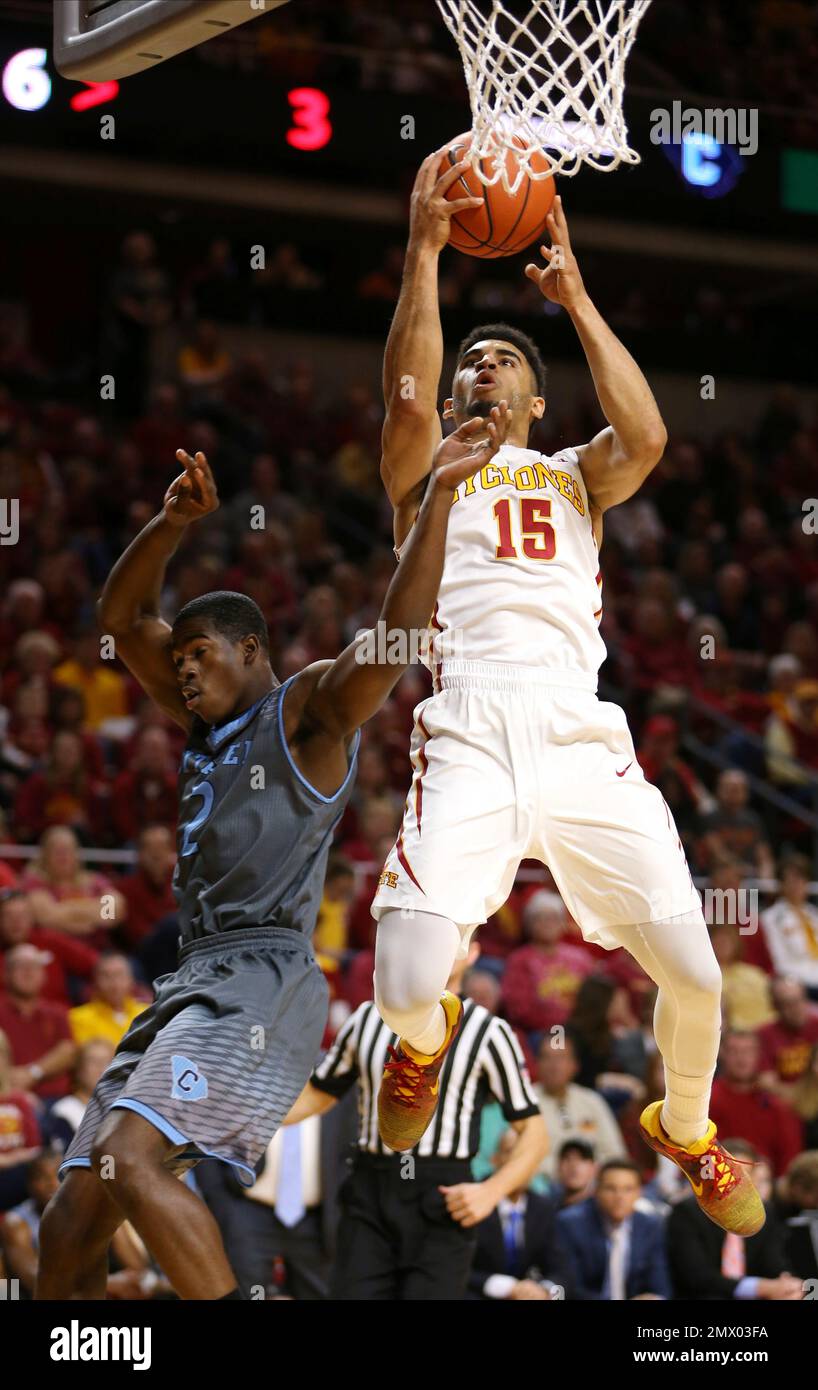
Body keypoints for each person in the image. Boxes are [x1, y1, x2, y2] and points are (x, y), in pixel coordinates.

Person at [369, 146, 763, 1237]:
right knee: (402, 980)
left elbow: (645, 435)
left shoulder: (572, 473)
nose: (481, 368)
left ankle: (685, 1131)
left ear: (538, 400)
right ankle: (423, 1038)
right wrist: (423, 252)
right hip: (470, 727)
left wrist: (577, 298)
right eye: (470, 361)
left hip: (579, 732)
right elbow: (403, 392)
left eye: (502, 360)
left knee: (694, 975)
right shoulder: (424, 469)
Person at [36, 409, 515, 1301]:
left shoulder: (308, 713)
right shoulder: (204, 726)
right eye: (174, 661)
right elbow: (120, 614)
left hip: (266, 980)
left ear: (251, 650)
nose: (178, 671)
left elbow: (399, 637)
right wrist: (172, 524)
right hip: (190, 981)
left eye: (198, 655)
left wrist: (441, 496)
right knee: (72, 1220)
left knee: (135, 1162)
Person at [283, 941, 547, 1300]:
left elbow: (533, 1128)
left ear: (473, 954)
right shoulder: (366, 1018)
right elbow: (319, 1092)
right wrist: (244, 1113)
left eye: (452, 939)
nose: (436, 945)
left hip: (442, 1193)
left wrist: (492, 1190)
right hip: (369, 1186)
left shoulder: (489, 1031)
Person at [666, 1141, 802, 1301]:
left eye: (745, 1172)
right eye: (728, 1171)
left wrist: (785, 1282)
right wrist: (759, 1287)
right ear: (712, 1170)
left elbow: (773, 1261)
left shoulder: (764, 1211)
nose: (735, 1180)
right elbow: (696, 1276)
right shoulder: (687, 1211)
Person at [468, 1127, 573, 1300]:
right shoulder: (471, 1200)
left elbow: (563, 1271)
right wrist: (506, 1287)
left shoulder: (543, 1208)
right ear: (495, 1160)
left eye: (526, 1154)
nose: (520, 1161)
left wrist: (545, 1291)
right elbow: (450, 1267)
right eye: (511, 1152)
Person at [556, 1158, 672, 1300]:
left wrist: (654, 1298)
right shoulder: (570, 1224)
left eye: (628, 1189)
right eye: (611, 1188)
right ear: (596, 1191)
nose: (620, 1197)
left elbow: (660, 1285)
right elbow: (569, 1288)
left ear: (639, 1193)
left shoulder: (649, 1226)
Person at [499, 890, 595, 1038]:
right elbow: (518, 1009)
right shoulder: (520, 960)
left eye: (553, 918)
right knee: (556, 1045)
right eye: (540, 918)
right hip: (541, 1032)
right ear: (529, 923)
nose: (547, 923)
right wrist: (558, 1026)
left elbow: (594, 998)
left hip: (580, 1029)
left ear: (563, 923)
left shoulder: (581, 958)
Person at [532, 1032, 626, 1180]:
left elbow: (614, 1153)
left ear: (575, 1065)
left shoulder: (592, 1101)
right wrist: (565, 1172)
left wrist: (588, 1173)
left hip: (594, 1185)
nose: (554, 1066)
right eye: (547, 1058)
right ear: (537, 1064)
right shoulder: (525, 1102)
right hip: (545, 1185)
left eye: (561, 1058)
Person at [709, 1031, 804, 1177]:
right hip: (719, 1181)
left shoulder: (775, 1104)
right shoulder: (709, 1099)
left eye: (747, 1051)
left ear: (758, 1054)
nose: (741, 1059)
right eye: (734, 1051)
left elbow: (790, 1155)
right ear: (722, 1054)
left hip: (770, 1187)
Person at [0, 944, 75, 1100]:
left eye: (34, 966)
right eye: (20, 966)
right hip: (8, 1098)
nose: (28, 972)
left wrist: (33, 1072)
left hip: (58, 1101)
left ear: (44, 975)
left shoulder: (58, 1012)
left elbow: (68, 1051)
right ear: (6, 974)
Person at [760, 854, 818, 997]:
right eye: (790, 880)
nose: (796, 885)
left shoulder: (814, 914)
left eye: (801, 879)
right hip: (799, 983)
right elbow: (779, 962)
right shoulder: (771, 918)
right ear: (781, 884)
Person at [68, 953, 147, 1048]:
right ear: (95, 981)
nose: (114, 983)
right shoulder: (77, 1018)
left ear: (131, 980)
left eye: (119, 974)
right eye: (106, 976)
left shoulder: (146, 1013)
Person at [758, 976, 818, 1092]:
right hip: (785, 1106)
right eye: (787, 1004)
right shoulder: (763, 1035)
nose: (796, 1008)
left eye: (799, 1000)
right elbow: (767, 1083)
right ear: (775, 1007)